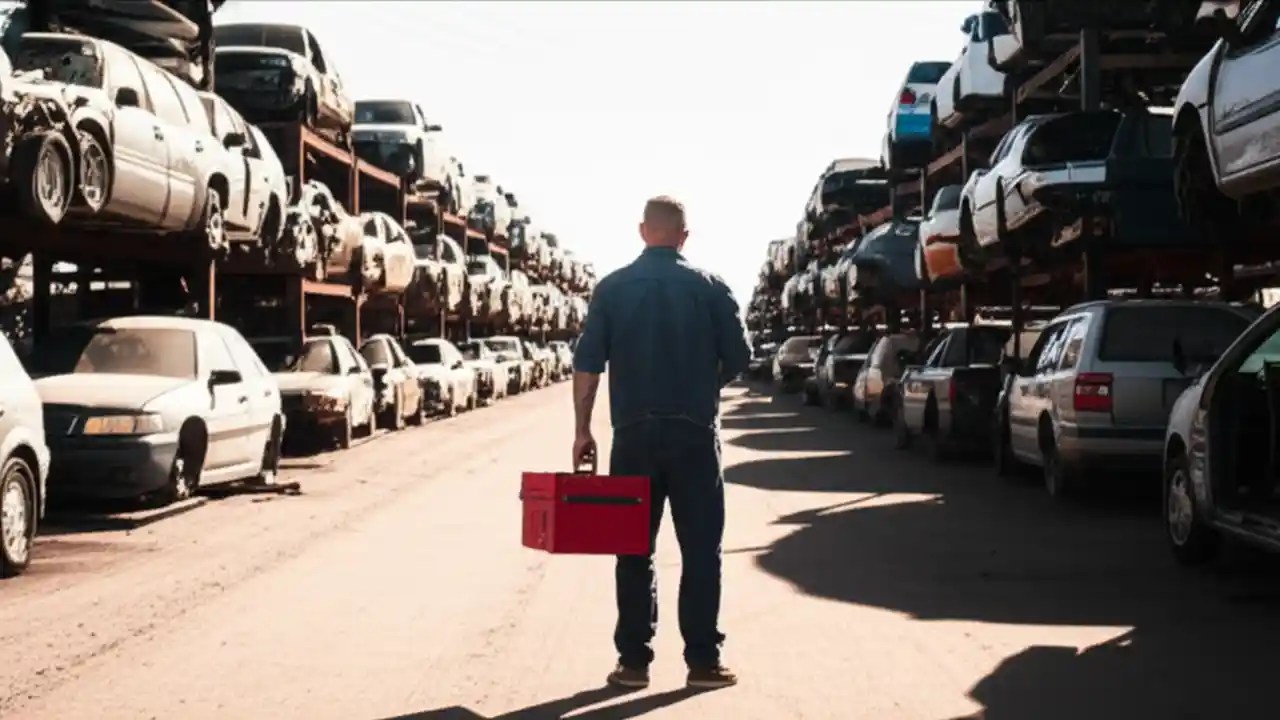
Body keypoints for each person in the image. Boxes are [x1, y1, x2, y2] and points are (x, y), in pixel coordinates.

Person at [571, 195, 751, 690]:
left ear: (641, 231)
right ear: (683, 237)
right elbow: (739, 355)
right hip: (694, 434)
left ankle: (633, 663)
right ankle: (703, 662)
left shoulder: (611, 289)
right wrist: (702, 383)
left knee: (632, 550)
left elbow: (588, 364)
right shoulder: (711, 288)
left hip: (631, 437)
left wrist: (583, 430)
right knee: (701, 550)